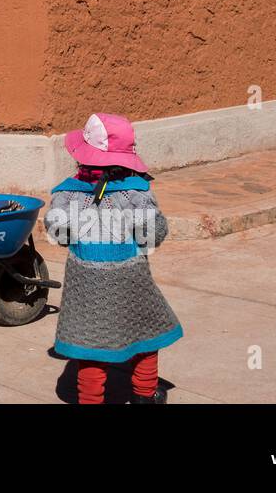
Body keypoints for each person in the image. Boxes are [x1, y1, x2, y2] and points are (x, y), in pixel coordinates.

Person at [44, 112, 181, 404]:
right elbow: (154, 233)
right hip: (130, 279)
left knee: (91, 348)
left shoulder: (67, 193)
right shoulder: (135, 192)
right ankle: (145, 394)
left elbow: (57, 233)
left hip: (86, 282)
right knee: (146, 331)